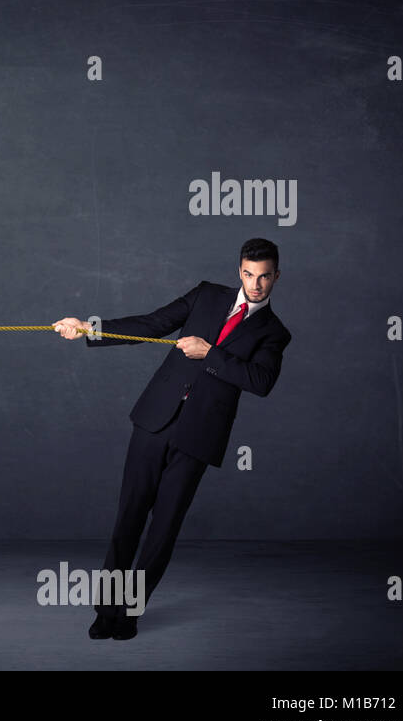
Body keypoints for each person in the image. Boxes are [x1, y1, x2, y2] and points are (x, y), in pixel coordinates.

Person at [52, 238, 292, 640]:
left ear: (276, 277)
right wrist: (90, 329)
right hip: (153, 421)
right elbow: (150, 324)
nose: (256, 285)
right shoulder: (206, 296)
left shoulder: (274, 333)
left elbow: (261, 382)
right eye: (249, 275)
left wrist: (209, 353)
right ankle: (106, 610)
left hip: (198, 437)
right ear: (239, 271)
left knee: (163, 529)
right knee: (128, 517)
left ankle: (129, 612)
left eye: (264, 277)